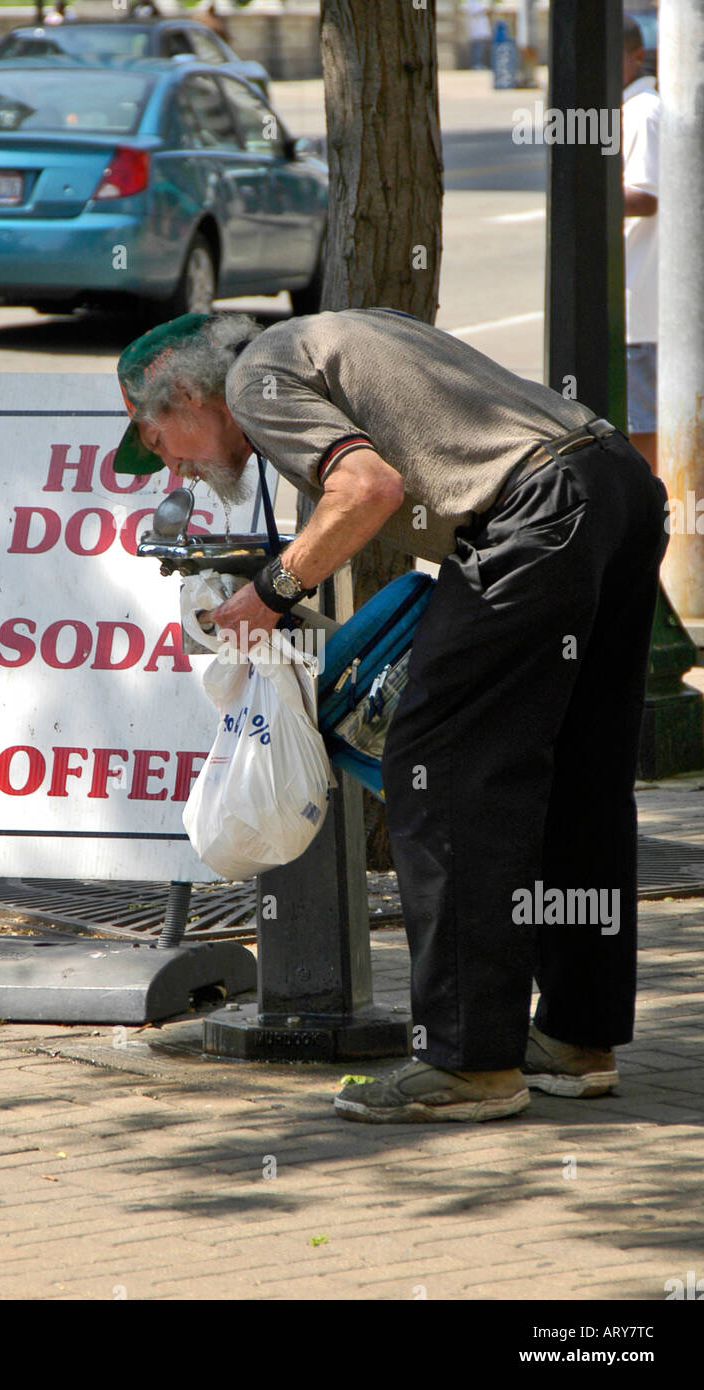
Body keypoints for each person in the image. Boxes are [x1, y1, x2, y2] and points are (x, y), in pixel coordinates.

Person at [110, 309, 668, 1125]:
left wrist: (270, 594)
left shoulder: (255, 380)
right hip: (614, 488)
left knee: (440, 770)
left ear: (192, 395)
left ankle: (466, 1061)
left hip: (530, 518)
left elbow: (368, 489)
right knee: (579, 772)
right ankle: (578, 1037)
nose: (174, 471)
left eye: (159, 442)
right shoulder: (320, 338)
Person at [622, 15, 660, 474]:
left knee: (642, 432)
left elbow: (646, 196)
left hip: (642, 304)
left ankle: (663, 538)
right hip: (638, 301)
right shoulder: (632, 109)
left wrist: (583, 188)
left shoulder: (642, 111)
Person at [463, 0, 492, 71]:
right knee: (477, 49)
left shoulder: (479, 2)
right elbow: (474, 11)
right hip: (476, 31)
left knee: (480, 49)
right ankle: (476, 64)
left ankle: (479, 64)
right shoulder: (471, 2)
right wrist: (484, 10)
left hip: (480, 31)